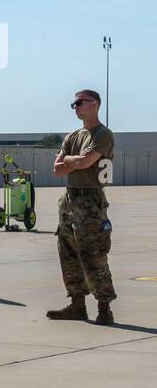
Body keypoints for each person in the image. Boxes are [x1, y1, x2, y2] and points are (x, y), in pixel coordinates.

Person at [47, 88, 116, 324]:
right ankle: (77, 304)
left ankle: (104, 308)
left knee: (93, 253)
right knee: (67, 252)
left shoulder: (102, 134)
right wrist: (72, 161)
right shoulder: (72, 136)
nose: (75, 107)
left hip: (90, 200)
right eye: (74, 104)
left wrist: (69, 160)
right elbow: (57, 170)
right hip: (70, 198)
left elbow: (86, 161)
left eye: (79, 102)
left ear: (94, 104)